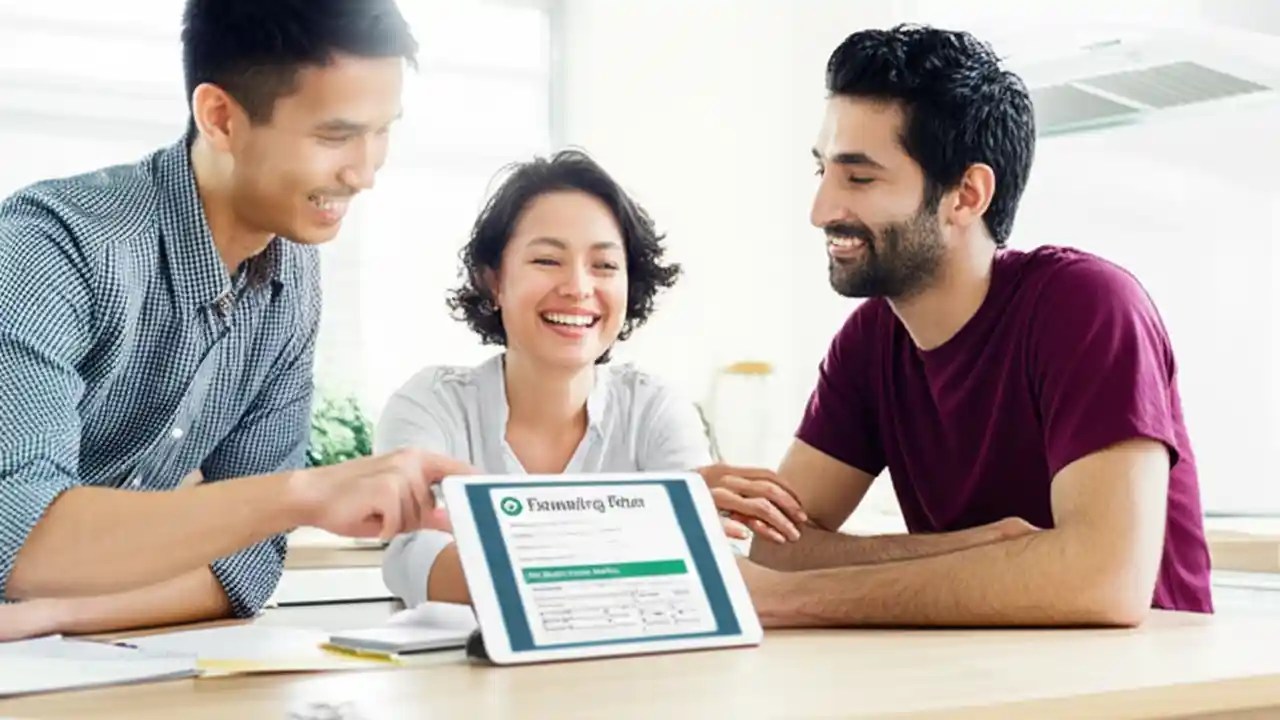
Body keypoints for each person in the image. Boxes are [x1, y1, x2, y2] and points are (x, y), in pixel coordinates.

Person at [0, 0, 464, 641]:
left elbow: (247, 565)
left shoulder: (292, 277)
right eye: (335, 136)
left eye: (382, 131)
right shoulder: (53, 247)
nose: (364, 173)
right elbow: (19, 532)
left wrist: (51, 617)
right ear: (220, 117)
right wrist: (302, 496)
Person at [740, 24, 1212, 627]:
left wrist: (787, 597)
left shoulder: (1088, 307)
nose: (820, 210)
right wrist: (974, 547)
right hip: (979, 671)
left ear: (966, 195)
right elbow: (776, 547)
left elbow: (1105, 580)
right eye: (822, 172)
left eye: (859, 178)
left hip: (1147, 677)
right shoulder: (868, 341)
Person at [378, 150, 807, 607]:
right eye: (547, 260)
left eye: (604, 266)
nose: (579, 288)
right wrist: (648, 527)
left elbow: (710, 567)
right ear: (493, 281)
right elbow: (418, 562)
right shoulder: (432, 405)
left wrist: (524, 558)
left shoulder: (654, 408)